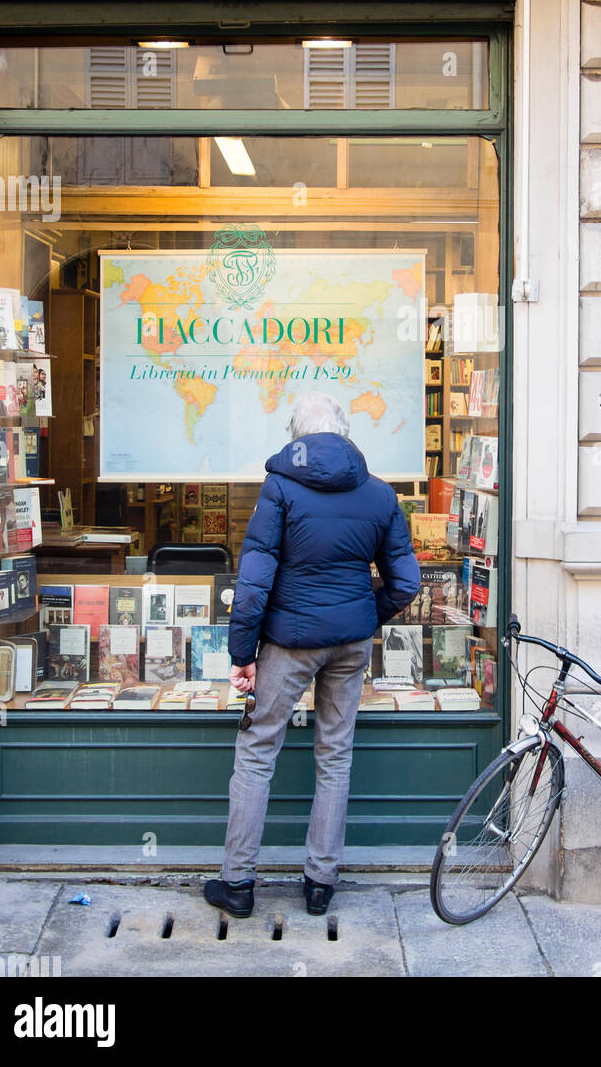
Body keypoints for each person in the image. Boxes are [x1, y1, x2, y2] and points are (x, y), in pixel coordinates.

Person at [203, 392, 421, 920]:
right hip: (349, 644)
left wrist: (241, 652)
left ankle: (238, 884)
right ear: (345, 433)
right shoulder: (378, 494)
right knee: (335, 754)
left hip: (289, 643)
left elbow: (254, 582)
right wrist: (364, 616)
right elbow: (406, 582)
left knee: (257, 751)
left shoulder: (279, 488)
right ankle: (320, 883)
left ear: (296, 437)